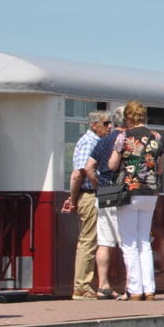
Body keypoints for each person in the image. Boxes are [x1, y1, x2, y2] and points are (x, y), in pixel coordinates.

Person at [109, 100, 164, 300]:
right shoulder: (157, 136)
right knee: (144, 241)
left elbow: (113, 164)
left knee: (129, 243)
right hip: (150, 193)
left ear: (129, 117)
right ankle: (149, 290)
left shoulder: (124, 136)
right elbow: (159, 169)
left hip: (129, 192)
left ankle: (135, 289)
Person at [60, 110, 114, 299]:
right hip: (90, 195)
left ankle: (89, 285)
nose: (110, 127)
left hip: (92, 195)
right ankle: (82, 286)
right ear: (94, 125)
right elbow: (79, 173)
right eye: (106, 123)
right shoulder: (89, 142)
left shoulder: (97, 142)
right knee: (88, 241)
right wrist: (73, 199)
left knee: (96, 240)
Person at [84, 113, 126, 298]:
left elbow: (88, 167)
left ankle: (103, 286)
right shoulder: (127, 140)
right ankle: (132, 287)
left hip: (103, 191)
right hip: (120, 191)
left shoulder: (103, 141)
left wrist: (98, 184)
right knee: (128, 242)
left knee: (105, 241)